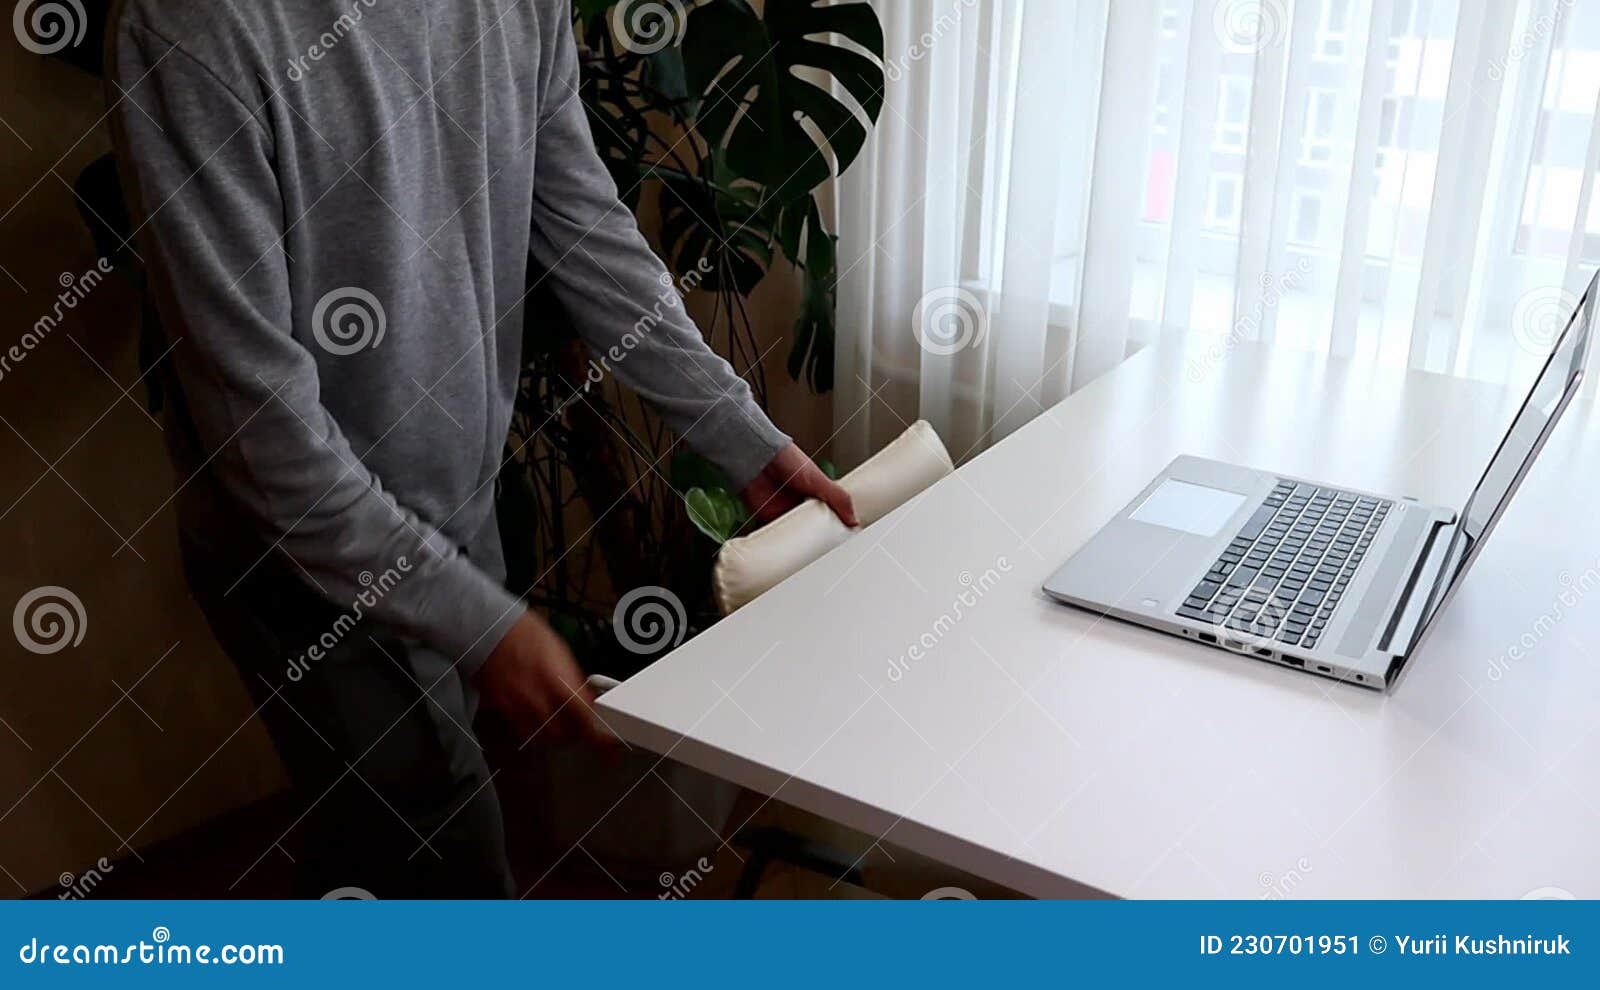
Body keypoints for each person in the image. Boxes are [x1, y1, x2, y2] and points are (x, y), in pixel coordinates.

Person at [107, 0, 856, 898]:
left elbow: (586, 230)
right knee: (448, 862)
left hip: (459, 498)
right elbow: (260, 434)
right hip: (302, 555)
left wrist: (744, 441)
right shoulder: (189, 30)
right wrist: (483, 624)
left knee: (380, 855)